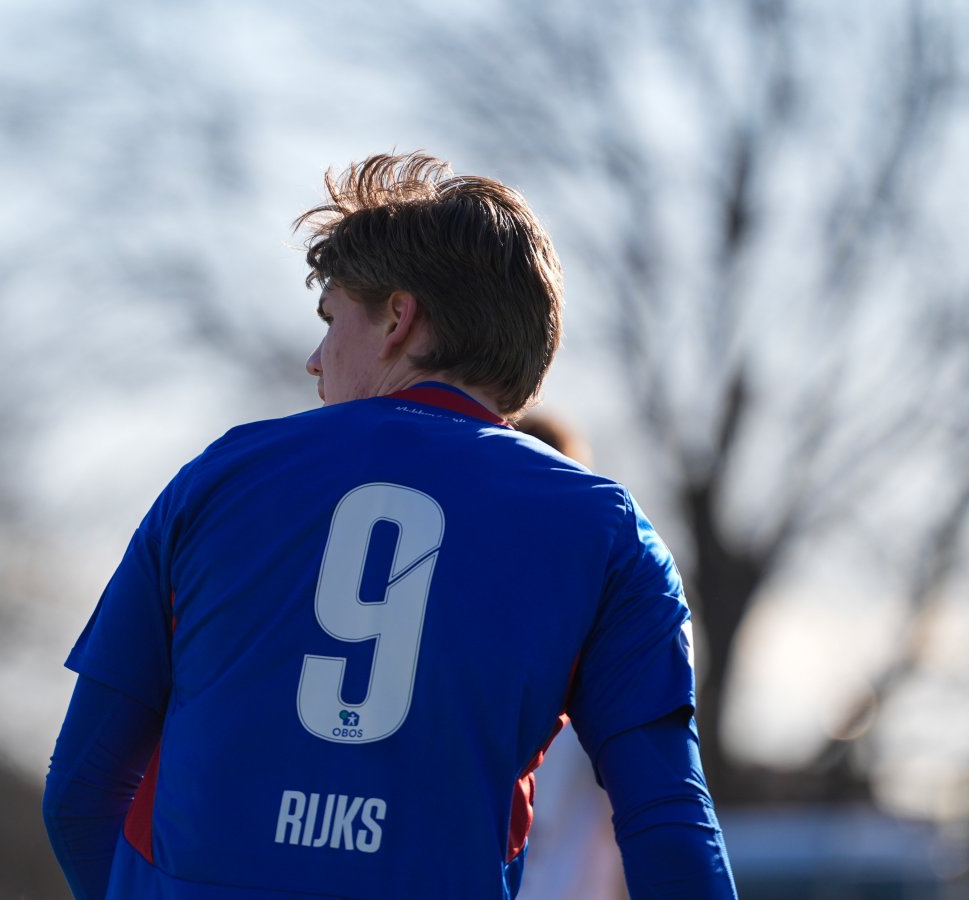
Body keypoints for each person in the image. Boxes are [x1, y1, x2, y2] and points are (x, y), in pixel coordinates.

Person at [43, 152, 737, 899]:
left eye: (331, 318)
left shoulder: (220, 477)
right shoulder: (608, 532)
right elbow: (668, 826)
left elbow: (81, 792)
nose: (316, 360)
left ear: (399, 320)